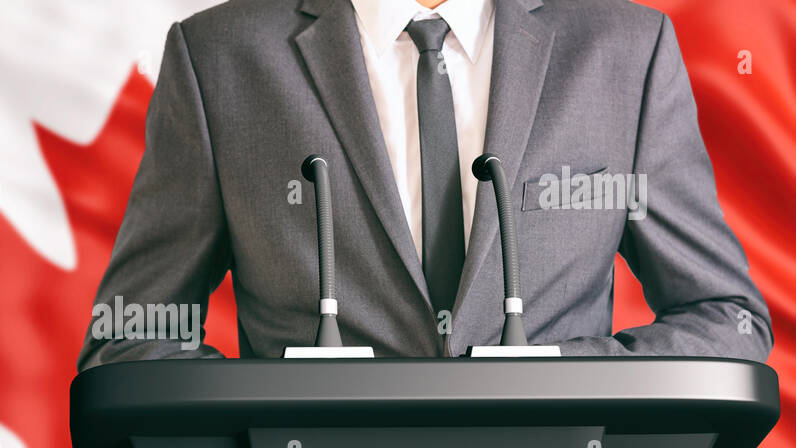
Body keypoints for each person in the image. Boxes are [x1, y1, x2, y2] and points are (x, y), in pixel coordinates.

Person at [77, 0, 772, 368]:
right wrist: (271, 408)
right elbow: (130, 336)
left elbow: (728, 321)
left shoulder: (626, 51)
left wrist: (562, 377)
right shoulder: (221, 56)